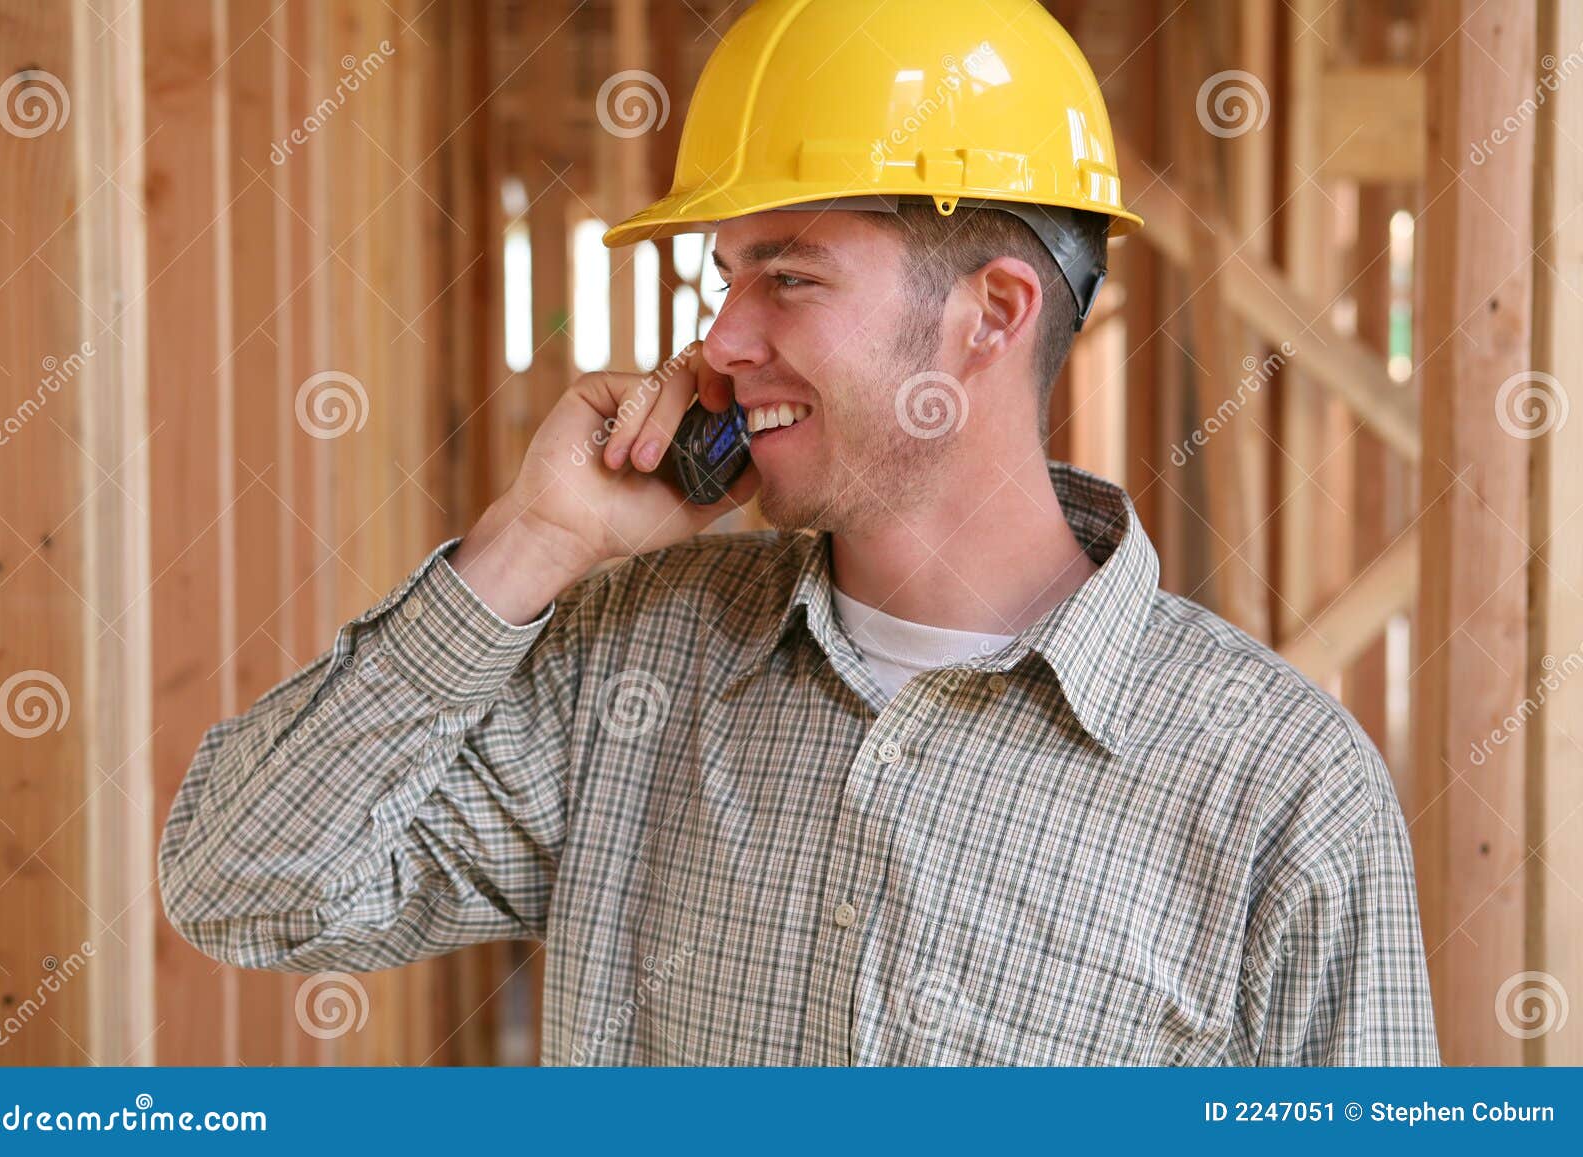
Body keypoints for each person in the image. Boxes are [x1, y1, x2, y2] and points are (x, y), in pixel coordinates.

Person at [158, 0, 1440, 1065]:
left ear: (989, 315)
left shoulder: (1277, 787)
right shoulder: (630, 668)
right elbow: (244, 883)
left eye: (789, 274)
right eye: (727, 281)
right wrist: (531, 543)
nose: (720, 342)